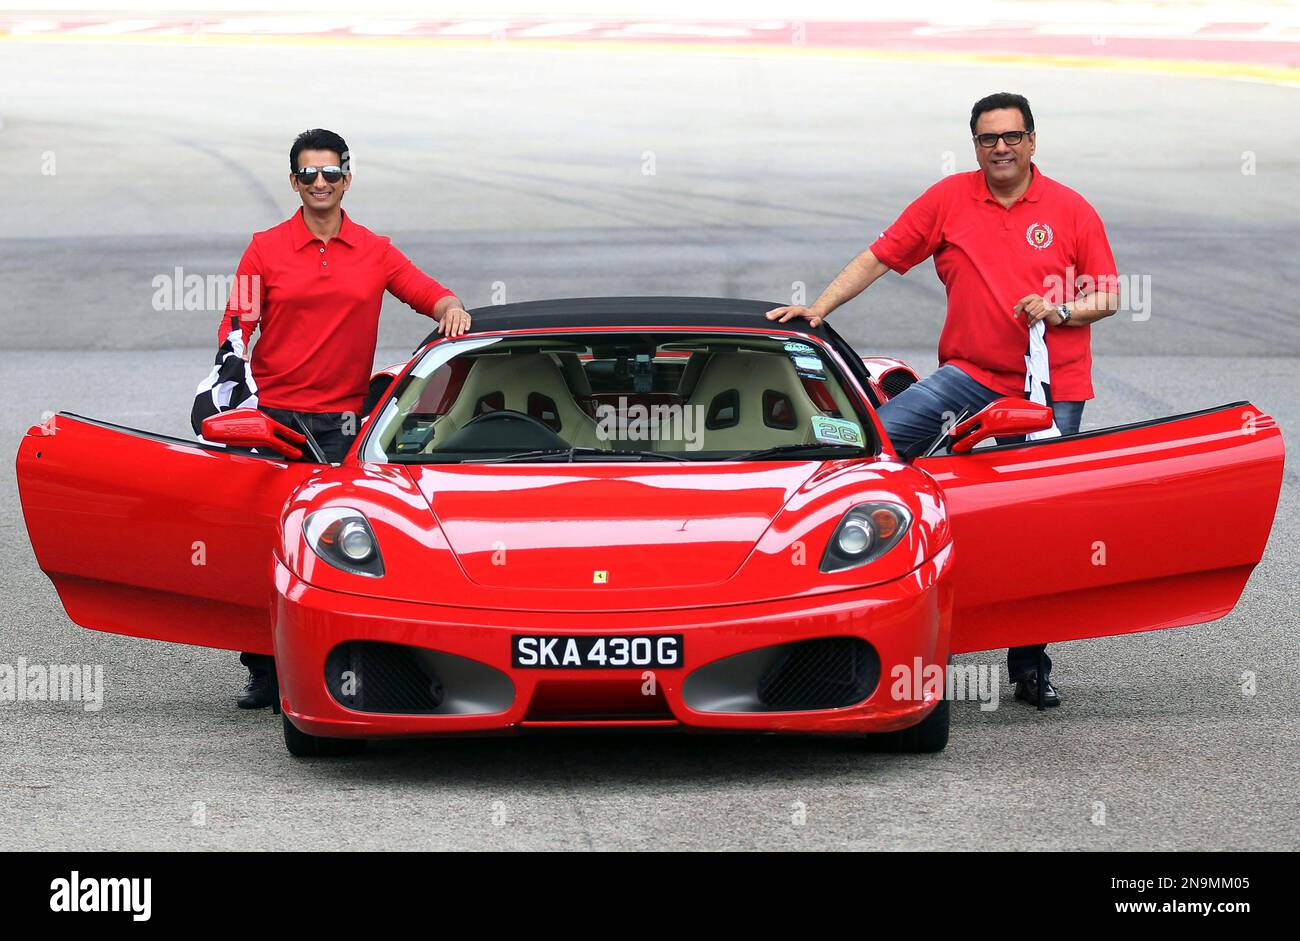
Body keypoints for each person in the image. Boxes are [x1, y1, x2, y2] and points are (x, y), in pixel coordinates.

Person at [766, 92, 1119, 708]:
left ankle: (1030, 665)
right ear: (975, 146)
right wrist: (818, 308)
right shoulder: (950, 199)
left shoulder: (1070, 209)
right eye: (988, 139)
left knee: (1038, 523)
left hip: (1052, 392)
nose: (1001, 148)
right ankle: (840, 618)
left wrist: (1060, 310)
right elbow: (881, 255)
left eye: (1011, 137)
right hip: (969, 376)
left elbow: (1108, 294)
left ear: (1033, 141)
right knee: (869, 452)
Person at [219, 128, 472, 709]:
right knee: (266, 546)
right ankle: (263, 666)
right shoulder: (264, 248)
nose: (320, 184)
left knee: (344, 546)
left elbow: (428, 293)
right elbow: (237, 327)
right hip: (274, 422)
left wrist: (451, 308)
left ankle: (355, 661)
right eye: (308, 175)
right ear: (293, 182)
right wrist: (231, 392)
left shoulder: (374, 249)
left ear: (347, 178)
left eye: (330, 173)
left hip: (343, 428)